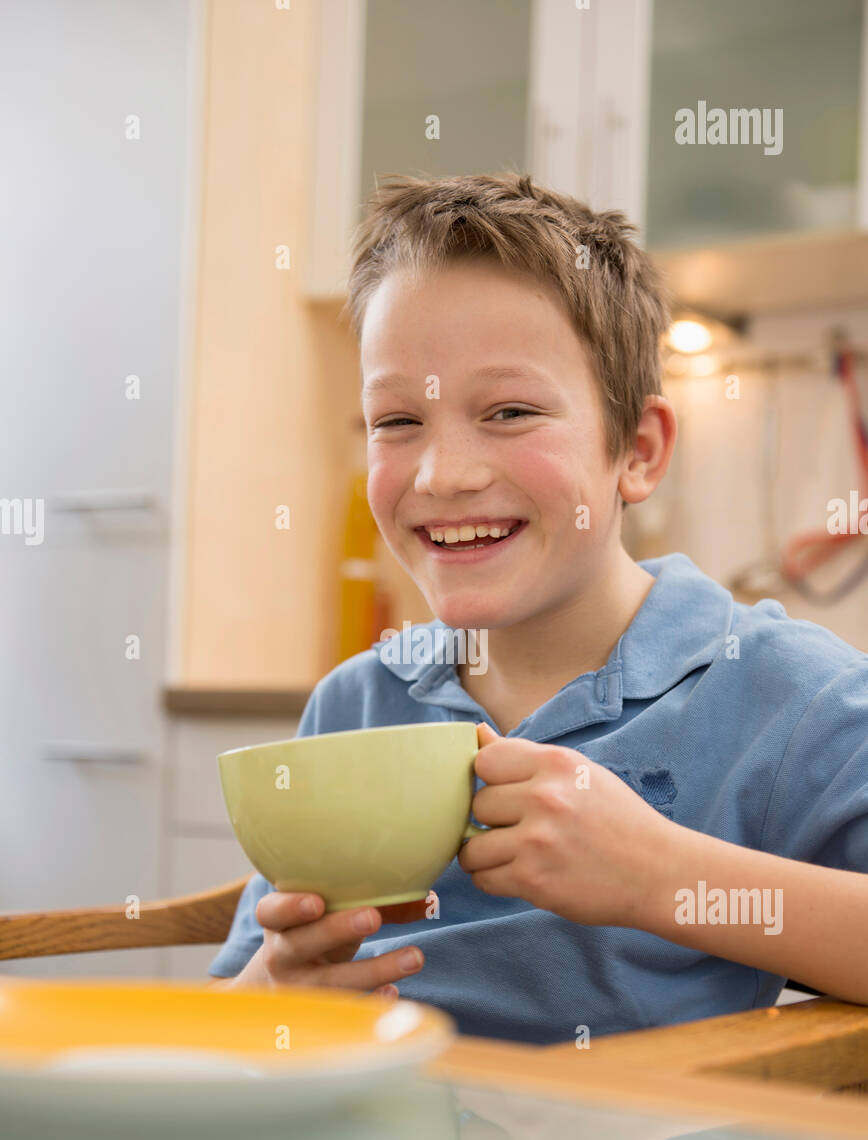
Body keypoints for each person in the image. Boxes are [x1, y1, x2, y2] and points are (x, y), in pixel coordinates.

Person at [207, 173, 868, 1045]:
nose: (444, 475)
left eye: (510, 411)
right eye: (396, 420)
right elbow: (225, 1021)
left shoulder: (785, 698)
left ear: (636, 451)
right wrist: (277, 992)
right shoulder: (353, 706)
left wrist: (661, 875)